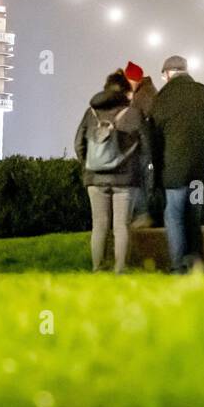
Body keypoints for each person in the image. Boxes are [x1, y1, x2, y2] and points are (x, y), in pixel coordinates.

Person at [74, 70, 152, 273]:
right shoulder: (133, 113)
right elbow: (147, 147)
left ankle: (97, 267)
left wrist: (90, 164)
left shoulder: (91, 113)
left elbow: (78, 143)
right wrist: (137, 167)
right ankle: (120, 269)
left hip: (95, 178)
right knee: (121, 226)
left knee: (99, 225)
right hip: (126, 180)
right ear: (126, 91)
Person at [150, 54, 204, 273]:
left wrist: (156, 175)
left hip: (174, 173)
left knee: (174, 217)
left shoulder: (162, 97)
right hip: (198, 173)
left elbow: (155, 137)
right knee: (194, 218)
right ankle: (197, 265)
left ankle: (178, 267)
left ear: (167, 73)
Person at [124, 60, 157, 226]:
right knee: (143, 181)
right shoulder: (146, 92)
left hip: (144, 147)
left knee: (140, 181)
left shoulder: (144, 95)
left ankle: (143, 215)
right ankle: (143, 215)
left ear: (134, 80)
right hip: (145, 146)